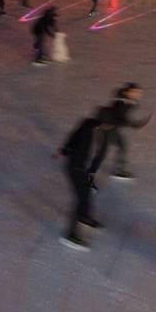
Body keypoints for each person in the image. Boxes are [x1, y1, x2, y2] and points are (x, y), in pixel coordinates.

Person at [58, 107, 117, 250]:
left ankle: (85, 218)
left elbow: (73, 136)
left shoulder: (89, 126)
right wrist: (70, 154)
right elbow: (77, 139)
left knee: (86, 196)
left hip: (80, 167)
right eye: (111, 123)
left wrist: (65, 150)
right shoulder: (89, 130)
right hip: (76, 168)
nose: (112, 126)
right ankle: (70, 235)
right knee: (81, 199)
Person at [105, 83, 152, 179]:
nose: (138, 94)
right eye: (136, 92)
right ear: (129, 92)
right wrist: (138, 124)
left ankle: (119, 170)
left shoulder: (124, 101)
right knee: (114, 148)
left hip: (111, 128)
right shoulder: (122, 103)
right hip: (107, 128)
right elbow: (122, 117)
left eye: (139, 93)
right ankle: (118, 170)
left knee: (121, 147)